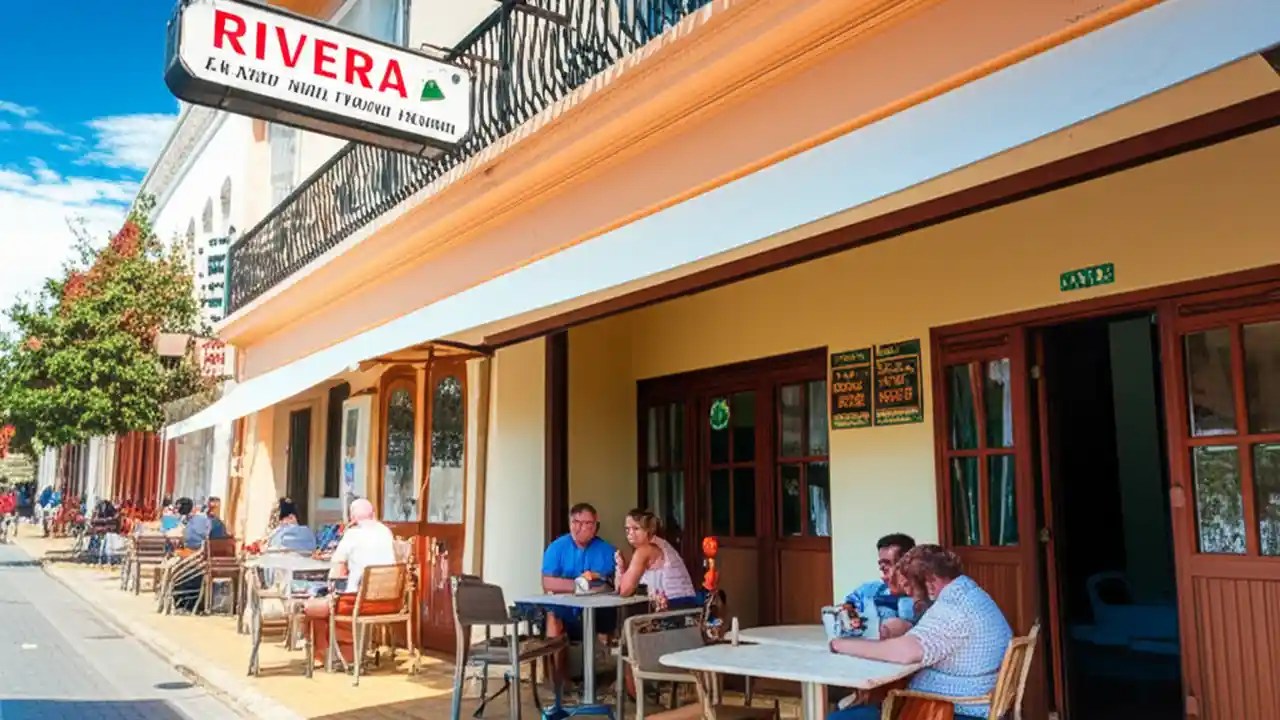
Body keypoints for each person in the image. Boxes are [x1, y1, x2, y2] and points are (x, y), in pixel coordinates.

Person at [828, 545, 1013, 720]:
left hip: (952, 710)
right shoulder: (971, 593)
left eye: (910, 587)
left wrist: (841, 645)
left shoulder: (952, 609)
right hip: (968, 702)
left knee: (839, 718)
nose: (909, 594)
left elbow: (905, 653)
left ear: (930, 583)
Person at [303, 498, 398, 666]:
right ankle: (348, 654)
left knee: (313, 607)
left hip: (359, 603)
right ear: (373, 514)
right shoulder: (385, 531)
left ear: (352, 518)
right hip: (388, 602)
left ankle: (327, 656)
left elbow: (337, 569)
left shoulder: (352, 534)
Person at [541, 503, 618, 685]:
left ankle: (608, 678)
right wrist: (581, 586)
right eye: (575, 522)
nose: (580, 527)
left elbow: (612, 583)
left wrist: (594, 583)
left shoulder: (607, 550)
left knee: (613, 617)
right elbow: (548, 583)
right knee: (553, 617)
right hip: (567, 611)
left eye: (587, 523)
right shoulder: (557, 547)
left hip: (599, 610)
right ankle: (559, 681)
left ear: (595, 526)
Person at [615, 509, 697, 610]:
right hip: (685, 605)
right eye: (627, 529)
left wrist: (621, 568)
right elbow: (621, 589)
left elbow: (624, 591)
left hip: (675, 606)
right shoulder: (661, 544)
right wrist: (621, 568)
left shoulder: (645, 550)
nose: (630, 533)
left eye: (636, 528)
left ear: (649, 530)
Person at [844, 533, 918, 639]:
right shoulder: (871, 589)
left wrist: (900, 594)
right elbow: (848, 603)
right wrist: (850, 613)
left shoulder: (921, 598)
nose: (882, 567)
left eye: (887, 563)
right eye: (881, 563)